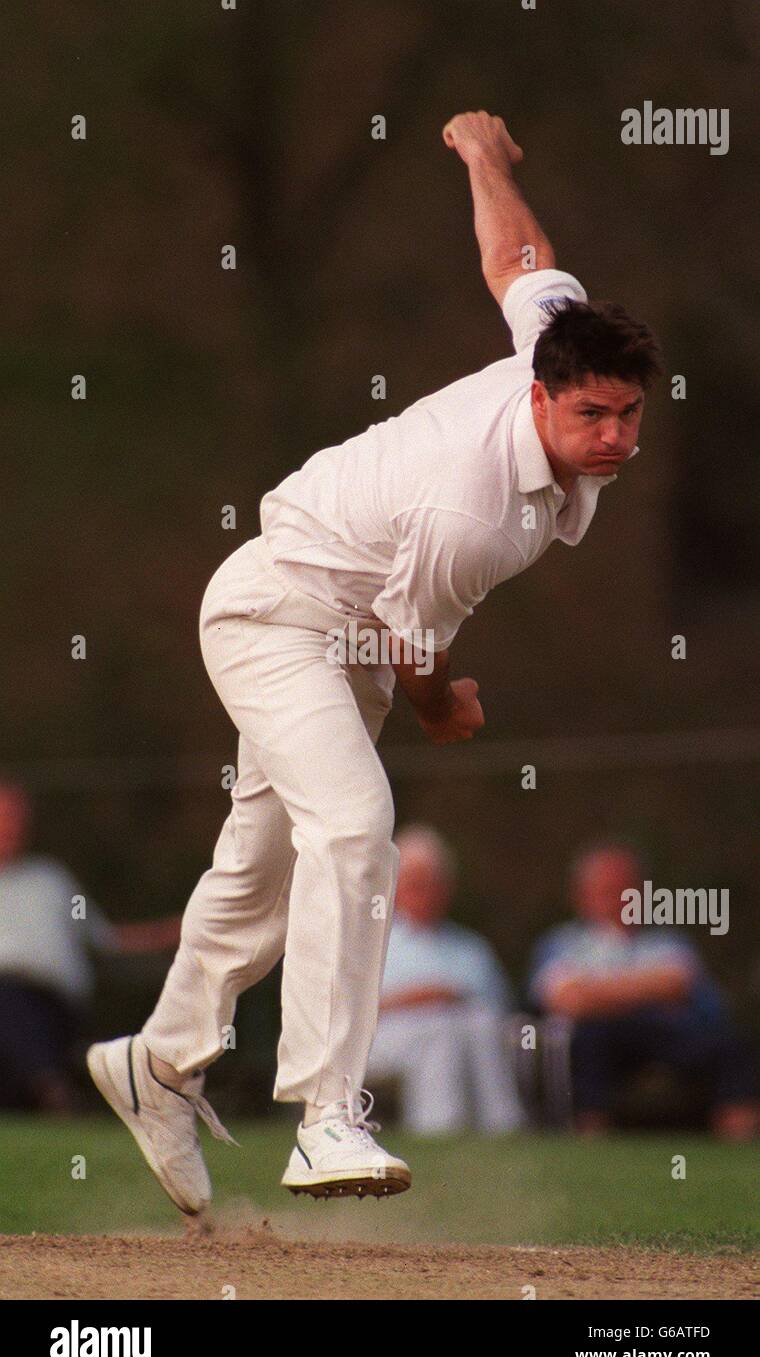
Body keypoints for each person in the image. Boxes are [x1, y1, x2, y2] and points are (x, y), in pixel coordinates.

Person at [87, 109, 662, 1214]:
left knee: (259, 884)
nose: (616, 441)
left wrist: (485, 159)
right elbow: (416, 653)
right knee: (355, 827)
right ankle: (325, 1117)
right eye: (592, 416)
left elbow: (518, 263)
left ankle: (156, 1062)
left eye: (631, 416)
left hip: (347, 629)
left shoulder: (553, 339)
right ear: (540, 396)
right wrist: (444, 710)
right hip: (274, 615)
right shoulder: (474, 510)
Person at [528, 843, 758, 1139]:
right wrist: (647, 988)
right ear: (582, 896)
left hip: (668, 1032)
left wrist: (597, 990)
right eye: (610, 890)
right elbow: (569, 1002)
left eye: (630, 889)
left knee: (732, 1045)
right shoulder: (559, 943)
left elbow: (680, 984)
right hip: (598, 1035)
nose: (623, 900)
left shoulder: (668, 940)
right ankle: (591, 1141)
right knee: (586, 1042)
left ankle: (739, 1144)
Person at [0, 780, 180, 1113]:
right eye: (3, 817)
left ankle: (47, 1087)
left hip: (50, 1005)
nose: (11, 827)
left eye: (16, 818)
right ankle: (48, 1088)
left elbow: (108, 938)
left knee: (10, 1004)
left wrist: (183, 931)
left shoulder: (50, 880)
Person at [367, 825, 524, 1133]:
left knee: (479, 1023)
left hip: (465, 1035)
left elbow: (499, 1010)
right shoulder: (372, 943)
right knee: (441, 1030)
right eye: (416, 885)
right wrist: (421, 998)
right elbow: (354, 1012)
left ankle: (504, 1127)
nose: (425, 894)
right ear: (394, 887)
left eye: (433, 885)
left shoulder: (472, 949)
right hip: (383, 1040)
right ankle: (439, 1129)